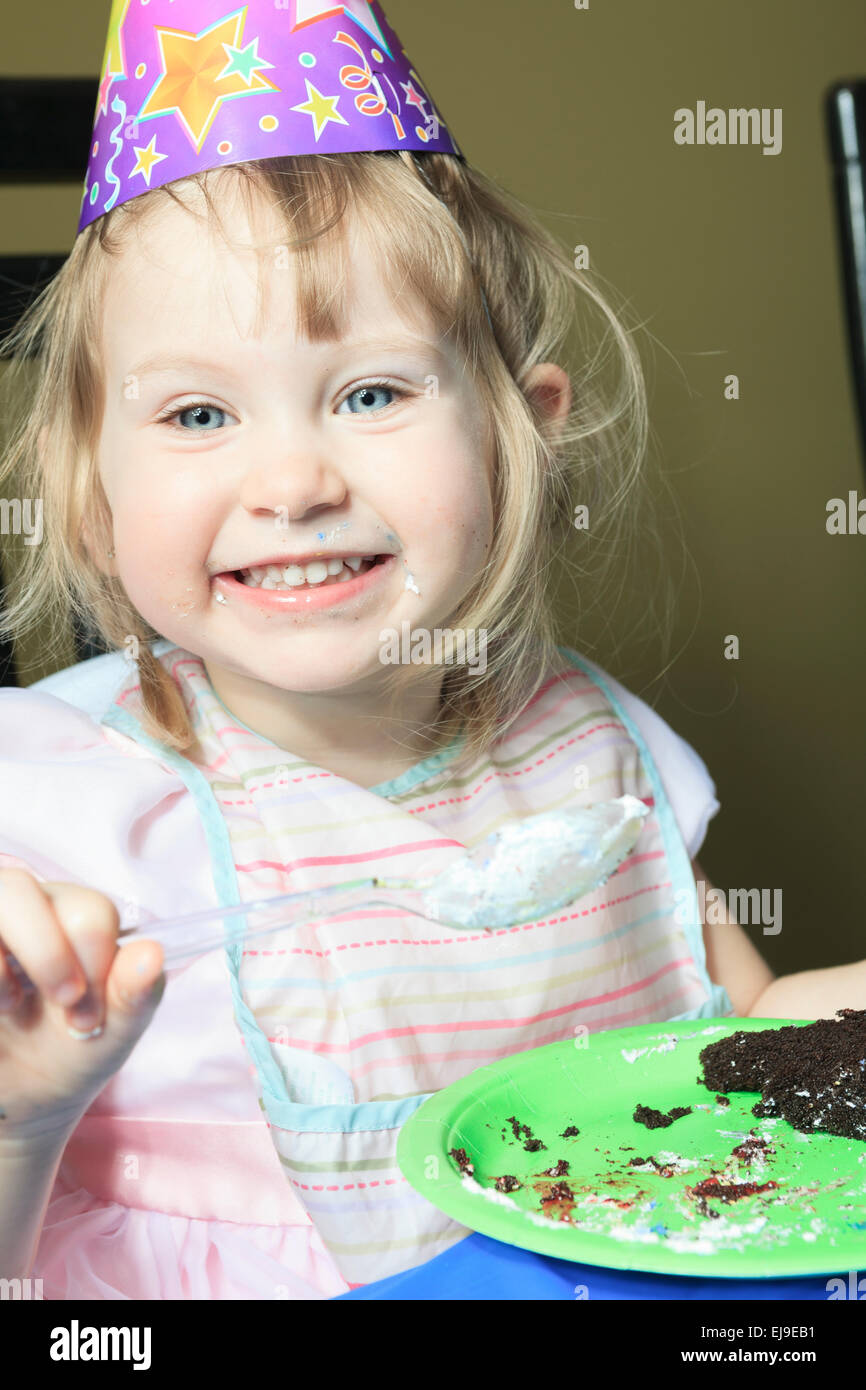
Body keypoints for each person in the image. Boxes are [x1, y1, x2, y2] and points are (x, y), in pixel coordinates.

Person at [0, 0, 860, 1302]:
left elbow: (727, 1036)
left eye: (371, 391)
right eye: (196, 411)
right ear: (88, 500)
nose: (290, 479)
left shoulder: (591, 745)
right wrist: (22, 1117)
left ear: (525, 429)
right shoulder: (61, 829)